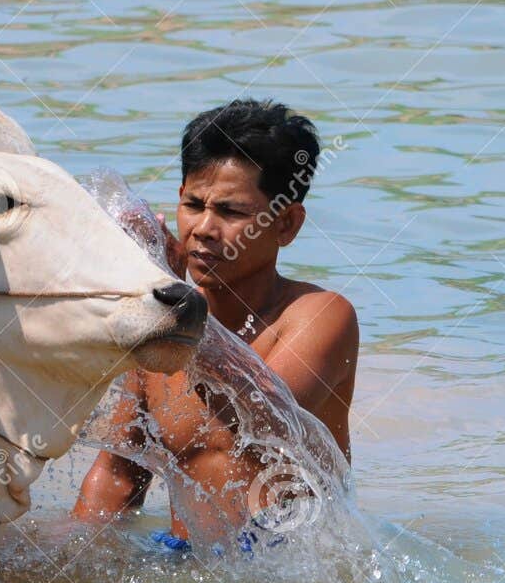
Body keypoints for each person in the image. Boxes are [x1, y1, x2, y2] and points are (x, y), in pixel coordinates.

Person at [73, 99, 359, 544]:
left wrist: (168, 291)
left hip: (287, 564)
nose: (204, 228)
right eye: (193, 203)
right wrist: (65, 558)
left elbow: (258, 421)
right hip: (186, 559)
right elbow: (118, 476)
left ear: (286, 224)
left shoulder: (321, 315)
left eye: (231, 212)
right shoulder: (160, 325)